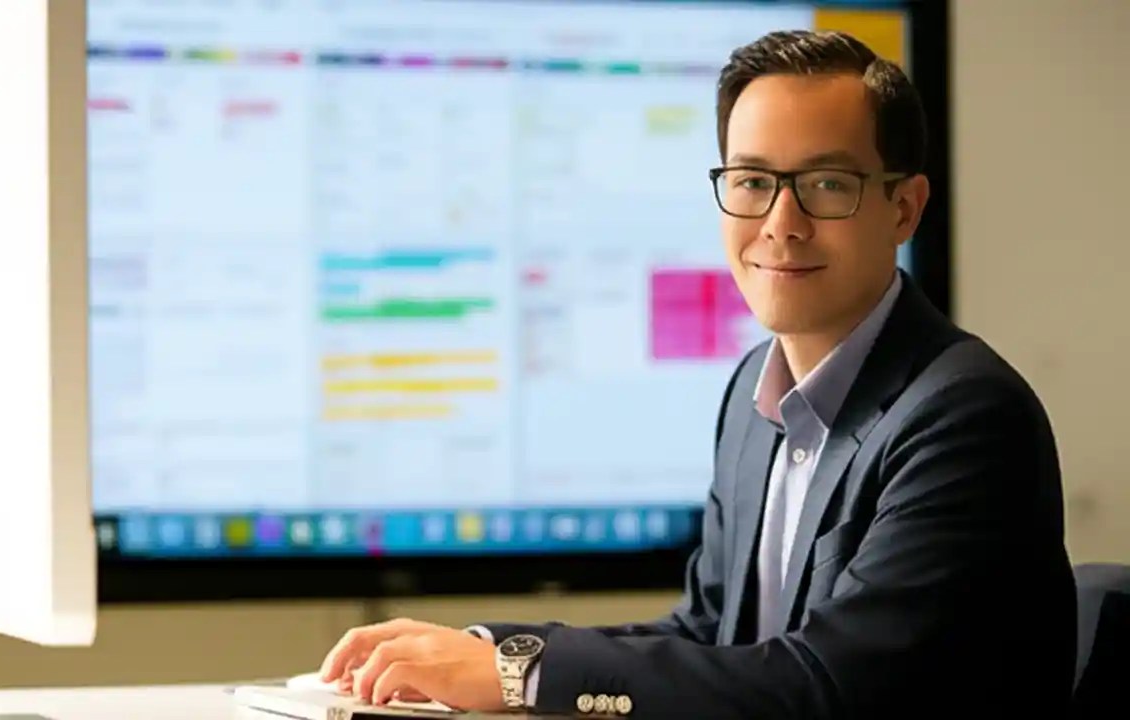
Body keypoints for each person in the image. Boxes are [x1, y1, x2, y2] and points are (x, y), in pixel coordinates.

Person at [316, 29, 1077, 718]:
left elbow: (832, 685)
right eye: (751, 182)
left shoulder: (965, 416)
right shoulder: (756, 391)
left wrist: (523, 674)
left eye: (827, 185)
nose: (781, 222)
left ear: (905, 209)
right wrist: (485, 648)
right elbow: (710, 639)